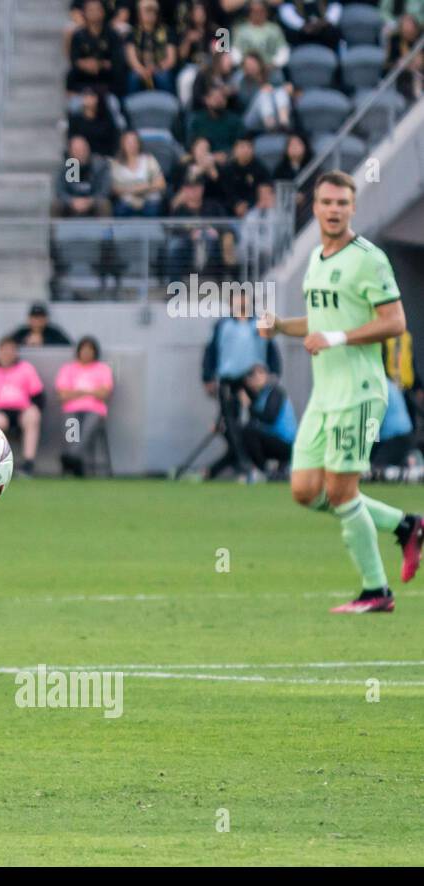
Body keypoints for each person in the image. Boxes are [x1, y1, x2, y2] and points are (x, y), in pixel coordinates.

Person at [261, 170, 423, 613]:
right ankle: (407, 525)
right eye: (326, 202)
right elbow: (317, 323)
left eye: (342, 203)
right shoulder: (316, 258)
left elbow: (394, 322)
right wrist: (279, 325)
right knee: (305, 490)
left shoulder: (369, 258)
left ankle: (376, 591)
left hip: (359, 390)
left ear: (353, 208)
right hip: (324, 393)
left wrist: (337, 338)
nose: (333, 210)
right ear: (314, 208)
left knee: (341, 490)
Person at [201, 287, 281, 479]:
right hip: (229, 382)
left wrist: (274, 374)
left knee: (254, 426)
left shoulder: (260, 324)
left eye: (243, 299)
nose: (240, 303)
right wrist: (207, 377)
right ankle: (245, 466)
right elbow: (210, 352)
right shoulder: (223, 325)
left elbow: (272, 351)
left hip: (253, 384)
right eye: (237, 299)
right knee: (229, 427)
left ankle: (247, 465)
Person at [0, 337, 44, 476]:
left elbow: (38, 395)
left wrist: (34, 409)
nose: (8, 353)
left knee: (32, 416)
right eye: (5, 349)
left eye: (12, 350)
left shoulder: (26, 368)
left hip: (22, 410)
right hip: (0, 411)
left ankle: (28, 463)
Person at [56, 335, 113, 477]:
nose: (86, 353)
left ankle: (70, 457)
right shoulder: (68, 369)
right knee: (72, 432)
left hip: (94, 410)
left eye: (90, 350)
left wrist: (78, 392)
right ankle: (74, 461)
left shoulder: (102, 369)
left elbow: (104, 394)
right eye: (84, 349)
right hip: (72, 409)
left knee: (87, 429)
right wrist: (90, 391)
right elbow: (63, 395)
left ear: (95, 352)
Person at [239, 362, 295, 478]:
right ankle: (273, 469)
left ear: (267, 375)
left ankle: (264, 471)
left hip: (287, 444)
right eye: (253, 375)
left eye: (260, 373)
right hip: (274, 440)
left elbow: (269, 418)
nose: (256, 377)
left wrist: (248, 405)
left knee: (249, 432)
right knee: (243, 434)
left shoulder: (276, 392)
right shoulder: (260, 396)